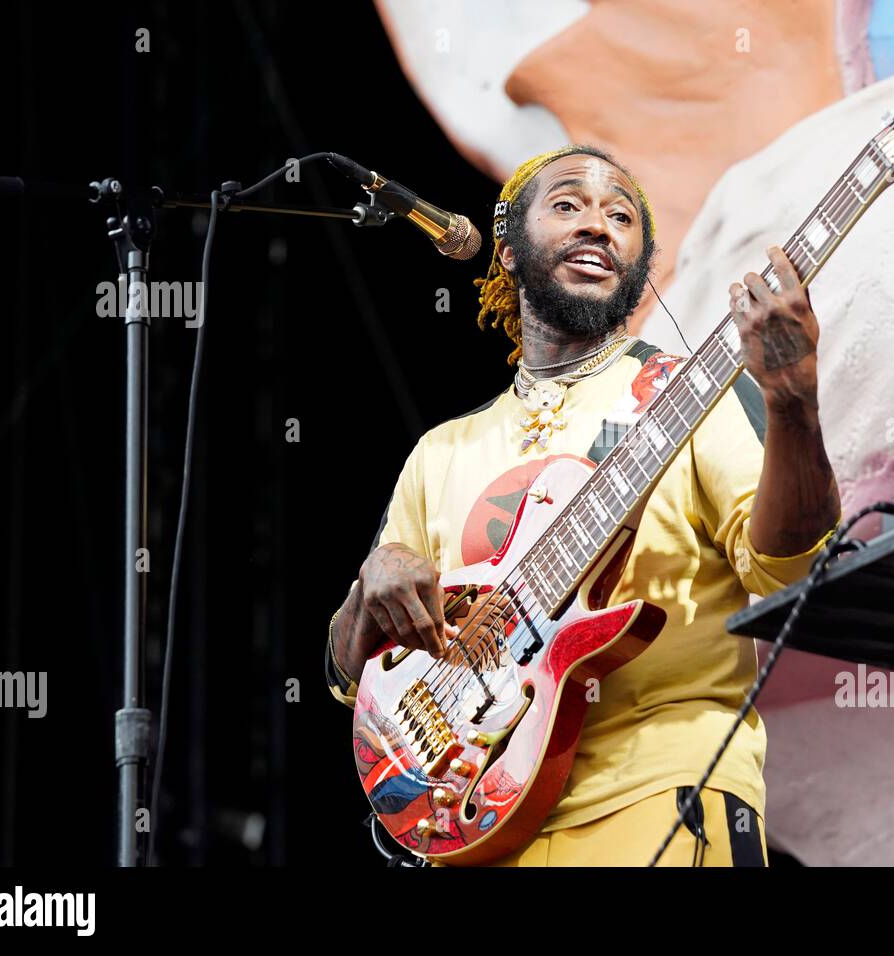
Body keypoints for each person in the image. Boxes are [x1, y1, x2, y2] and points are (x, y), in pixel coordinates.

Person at [325, 144, 840, 866]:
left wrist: (793, 406)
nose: (598, 226)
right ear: (506, 251)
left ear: (642, 264)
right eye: (568, 205)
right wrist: (376, 582)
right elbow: (351, 676)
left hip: (661, 795)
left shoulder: (694, 396)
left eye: (621, 216)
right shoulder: (440, 452)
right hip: (477, 824)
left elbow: (790, 575)